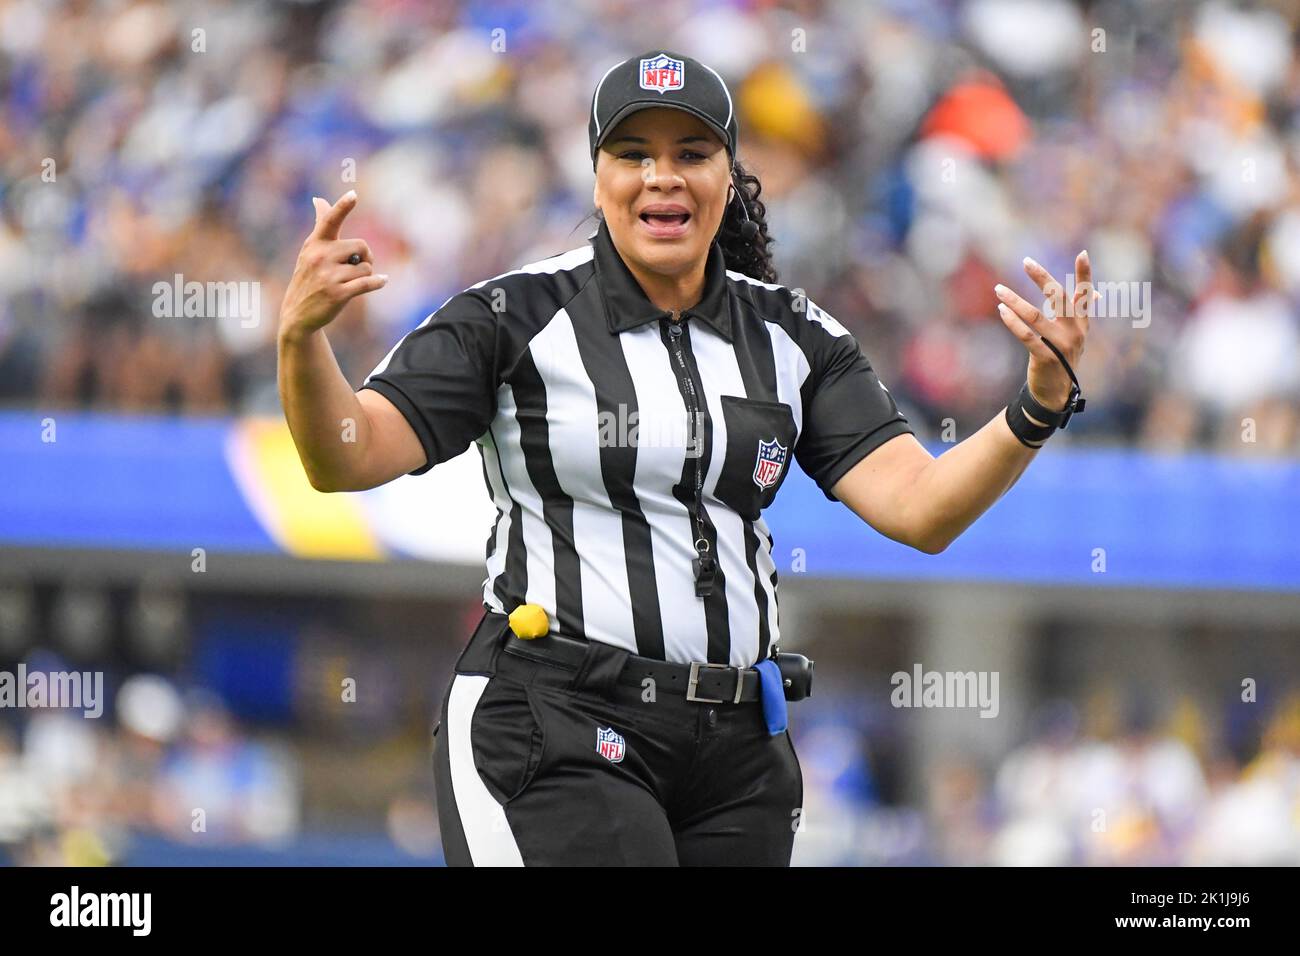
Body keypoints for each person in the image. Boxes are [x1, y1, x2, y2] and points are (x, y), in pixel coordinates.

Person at [276, 50, 1091, 866]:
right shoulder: (509, 316)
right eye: (633, 155)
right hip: (557, 718)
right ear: (597, 178)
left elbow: (921, 508)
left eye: (691, 155)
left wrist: (1037, 406)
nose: (662, 177)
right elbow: (347, 457)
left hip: (737, 750)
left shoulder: (793, 335)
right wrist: (303, 340)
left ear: (730, 176)